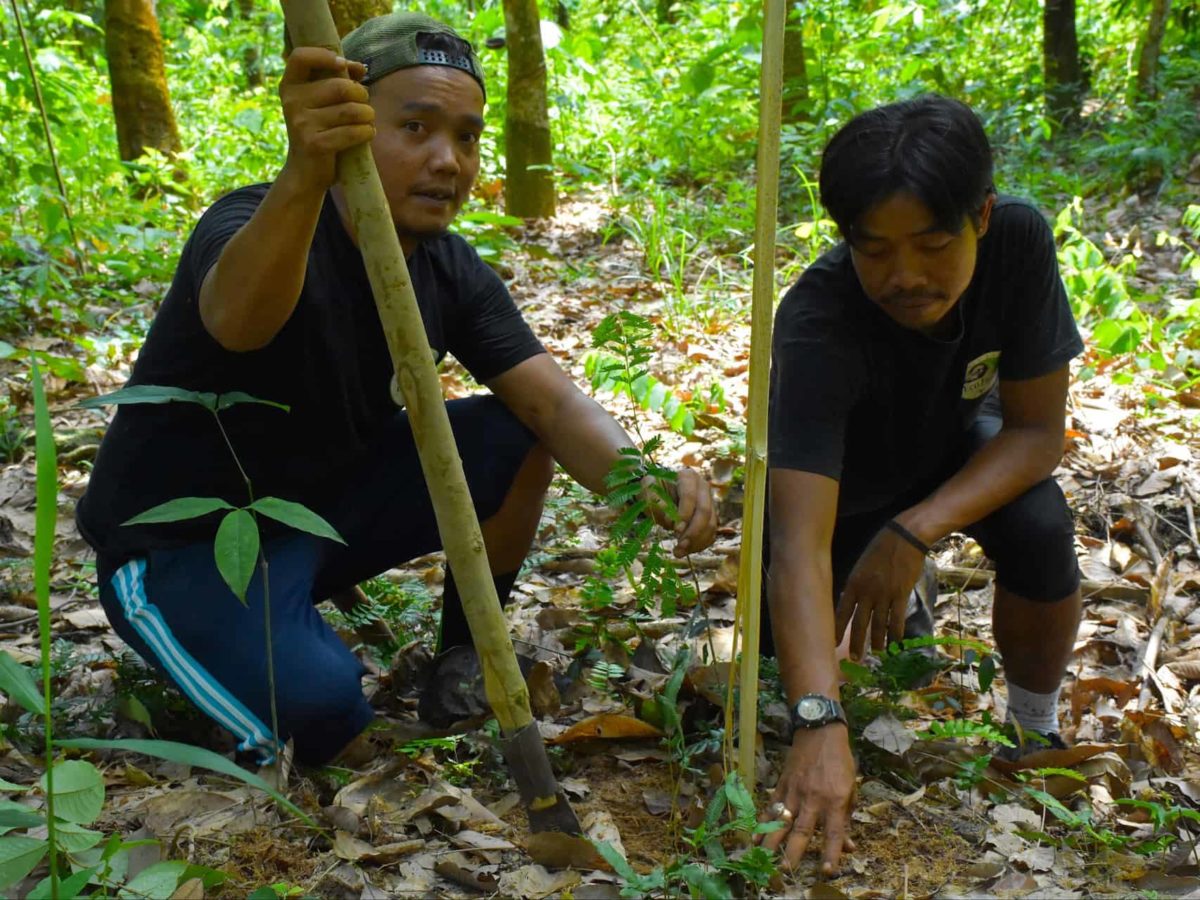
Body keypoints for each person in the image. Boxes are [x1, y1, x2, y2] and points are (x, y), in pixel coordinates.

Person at [75, 12, 717, 767]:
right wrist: (305, 173)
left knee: (516, 433)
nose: (448, 160)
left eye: (467, 137)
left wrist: (646, 481)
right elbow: (238, 323)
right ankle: (240, 645)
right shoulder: (253, 220)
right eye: (415, 128)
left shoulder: (447, 267)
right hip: (181, 548)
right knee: (323, 715)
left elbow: (553, 404)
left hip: (323, 513)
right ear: (348, 125)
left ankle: (464, 657)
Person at [760, 95, 1083, 874]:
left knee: (1041, 525)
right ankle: (901, 608)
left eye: (934, 244)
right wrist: (818, 720)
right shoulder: (817, 322)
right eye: (874, 251)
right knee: (786, 679)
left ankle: (1033, 728)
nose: (905, 276)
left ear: (982, 216)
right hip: (847, 483)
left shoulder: (1019, 242)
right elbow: (796, 546)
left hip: (961, 446)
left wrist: (914, 532)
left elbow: (1037, 434)